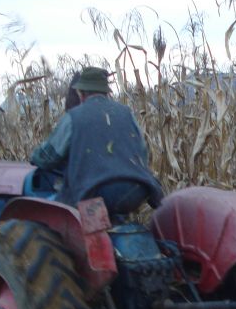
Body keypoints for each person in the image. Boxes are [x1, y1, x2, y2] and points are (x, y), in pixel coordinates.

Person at [30, 66, 163, 214]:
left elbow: (49, 157)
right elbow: (142, 153)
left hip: (95, 195)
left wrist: (35, 157)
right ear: (106, 92)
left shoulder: (74, 117)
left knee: (42, 211)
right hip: (135, 191)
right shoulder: (127, 114)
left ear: (81, 93)